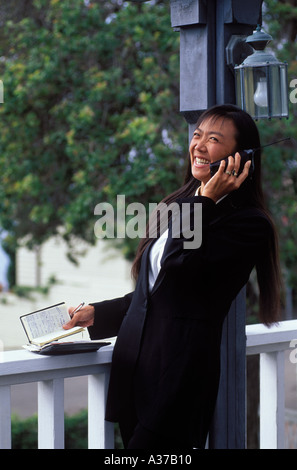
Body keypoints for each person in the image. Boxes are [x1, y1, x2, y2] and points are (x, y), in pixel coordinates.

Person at [64, 104, 282, 449]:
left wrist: (206, 199)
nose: (198, 145)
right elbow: (156, 292)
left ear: (241, 157)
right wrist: (97, 315)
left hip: (177, 383)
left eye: (214, 139)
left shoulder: (247, 224)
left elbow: (183, 268)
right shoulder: (180, 204)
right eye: (196, 135)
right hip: (134, 374)